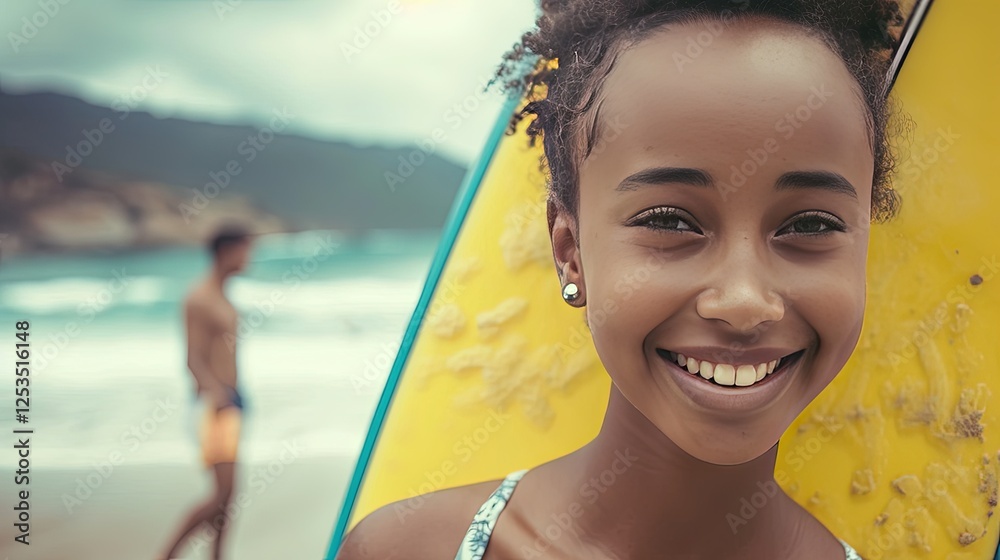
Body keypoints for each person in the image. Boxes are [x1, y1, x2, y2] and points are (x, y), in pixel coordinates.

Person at [338, 0, 904, 558]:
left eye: (809, 224)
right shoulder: (406, 548)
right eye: (669, 221)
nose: (743, 301)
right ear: (570, 252)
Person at [159, 225, 254, 560]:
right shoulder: (199, 297)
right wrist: (217, 394)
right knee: (222, 492)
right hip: (215, 402)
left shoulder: (222, 294)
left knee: (228, 496)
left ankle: (216, 557)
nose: (249, 257)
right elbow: (193, 359)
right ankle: (166, 555)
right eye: (245, 249)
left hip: (233, 397)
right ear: (227, 251)